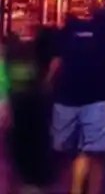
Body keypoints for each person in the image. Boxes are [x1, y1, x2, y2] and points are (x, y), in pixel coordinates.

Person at [47, 0, 105, 194]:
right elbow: (58, 58)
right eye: (76, 0)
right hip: (65, 98)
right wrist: (45, 85)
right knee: (64, 151)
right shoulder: (66, 26)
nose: (81, 4)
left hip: (98, 97)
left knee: (95, 152)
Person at [5, 20, 57, 193]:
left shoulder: (13, 50)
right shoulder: (21, 50)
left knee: (17, 149)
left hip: (22, 104)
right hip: (26, 104)